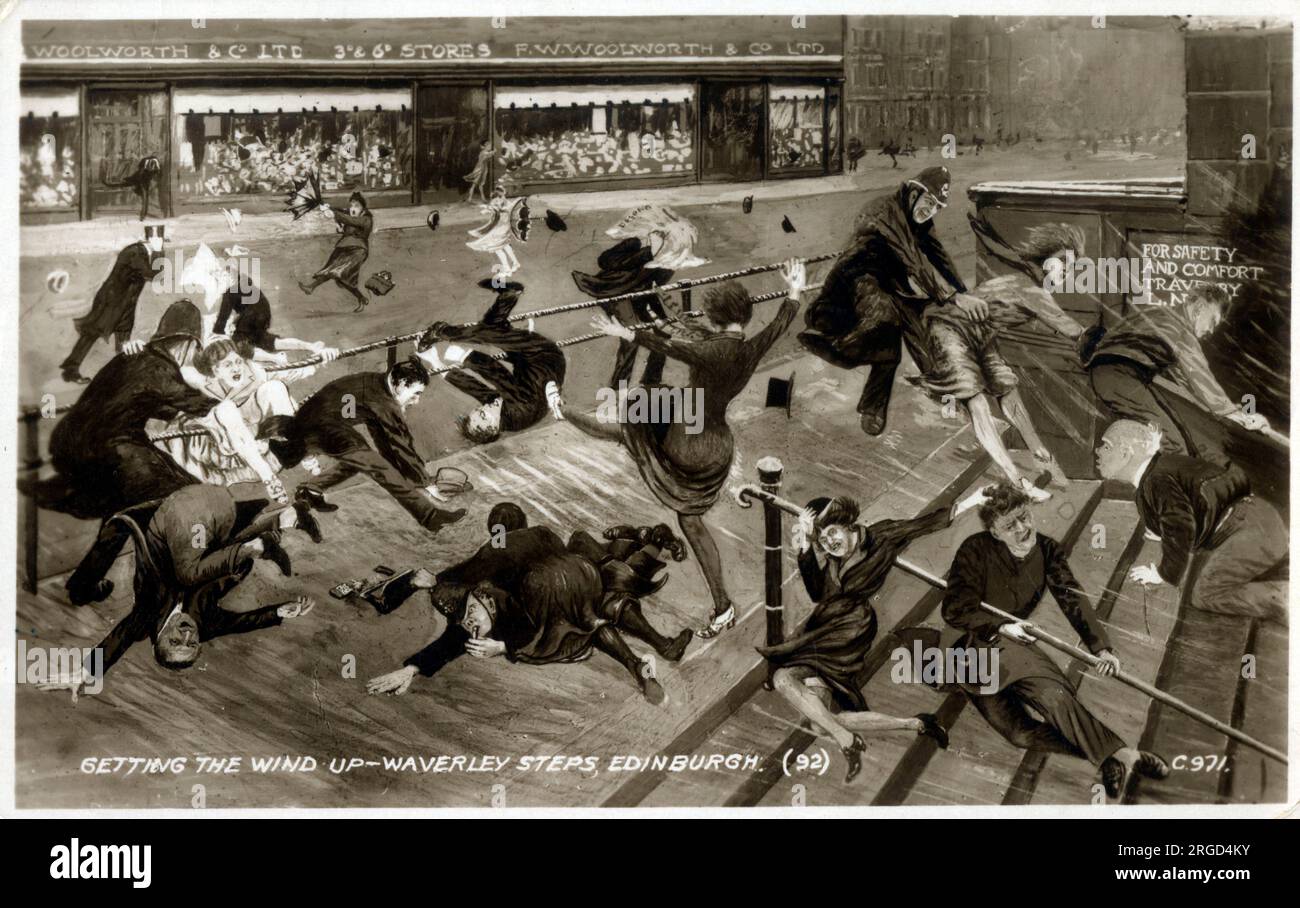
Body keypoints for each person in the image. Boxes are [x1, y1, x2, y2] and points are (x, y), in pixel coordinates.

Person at [561, 260, 804, 638]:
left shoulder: (713, 352)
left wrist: (625, 332)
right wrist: (793, 293)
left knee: (631, 425)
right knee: (689, 519)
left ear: (717, 319)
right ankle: (722, 606)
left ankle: (563, 412)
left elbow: (672, 347)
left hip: (689, 441)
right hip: (716, 442)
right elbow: (776, 327)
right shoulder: (747, 347)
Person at [31, 300, 287, 606]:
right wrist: (262, 470)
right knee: (185, 494)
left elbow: (152, 402)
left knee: (125, 504)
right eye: (193, 348)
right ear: (188, 342)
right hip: (113, 447)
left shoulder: (134, 358)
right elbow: (213, 409)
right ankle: (183, 580)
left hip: (73, 441)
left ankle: (84, 584)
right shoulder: (162, 368)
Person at [940, 482, 1170, 799]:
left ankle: (1125, 756)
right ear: (995, 531)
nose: (1022, 528)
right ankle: (1111, 756)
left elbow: (1072, 599)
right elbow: (955, 610)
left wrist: (1101, 647)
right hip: (972, 647)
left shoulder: (1047, 550)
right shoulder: (974, 551)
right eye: (1010, 524)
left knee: (1056, 698)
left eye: (1024, 516)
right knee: (1019, 734)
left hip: (1014, 647)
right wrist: (1002, 626)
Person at [760, 486, 989, 783]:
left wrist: (975, 499)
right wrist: (805, 548)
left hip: (851, 631)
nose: (830, 543)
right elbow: (818, 594)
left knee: (782, 678)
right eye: (824, 540)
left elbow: (925, 524)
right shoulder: (832, 558)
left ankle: (846, 740)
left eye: (832, 533)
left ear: (845, 522)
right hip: (825, 626)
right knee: (820, 723)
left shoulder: (881, 536)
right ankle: (916, 724)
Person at [365, 519, 692, 704]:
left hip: (572, 578)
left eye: (471, 620)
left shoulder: (500, 575)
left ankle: (649, 542)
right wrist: (410, 670)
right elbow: (451, 642)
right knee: (595, 616)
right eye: (472, 626)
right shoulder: (478, 610)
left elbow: (489, 563)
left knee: (605, 591)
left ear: (482, 598)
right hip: (571, 588)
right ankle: (647, 543)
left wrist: (505, 647)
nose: (471, 627)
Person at [36, 485, 317, 698]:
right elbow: (243, 623)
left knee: (190, 571)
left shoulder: (146, 617)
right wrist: (280, 611)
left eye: (175, 642)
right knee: (215, 560)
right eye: (191, 644)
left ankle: (265, 540)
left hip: (172, 531)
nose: (186, 635)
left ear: (158, 641)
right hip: (217, 550)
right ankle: (286, 520)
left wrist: (88, 672)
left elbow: (117, 639)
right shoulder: (208, 625)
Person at [798, 166, 989, 436]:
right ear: (914, 193)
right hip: (855, 279)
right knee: (887, 326)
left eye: (937, 207)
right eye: (929, 202)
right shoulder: (886, 211)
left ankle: (942, 387)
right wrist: (954, 297)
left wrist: (962, 292)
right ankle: (833, 351)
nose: (930, 211)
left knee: (921, 325)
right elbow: (914, 259)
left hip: (889, 284)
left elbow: (937, 255)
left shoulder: (919, 218)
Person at [912, 223, 1087, 501]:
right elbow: (1070, 328)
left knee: (1009, 391)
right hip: (949, 330)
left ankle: (1042, 457)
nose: (1067, 270)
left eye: (1071, 265)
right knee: (977, 402)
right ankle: (1017, 481)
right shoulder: (1028, 288)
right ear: (1047, 260)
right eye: (1064, 262)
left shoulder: (1028, 285)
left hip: (980, 334)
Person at [1094, 420, 1286, 624]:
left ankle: (1284, 600)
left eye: (1106, 446)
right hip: (1260, 522)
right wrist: (1162, 532)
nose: (1098, 452)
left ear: (1126, 452)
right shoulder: (1160, 469)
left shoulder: (1155, 481)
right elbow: (1186, 510)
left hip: (1250, 533)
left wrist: (1164, 574)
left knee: (1206, 594)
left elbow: (1180, 525)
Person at [266, 358, 467, 535]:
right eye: (415, 394)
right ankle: (430, 516)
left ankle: (311, 490)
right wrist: (425, 482)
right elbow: (401, 444)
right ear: (402, 384)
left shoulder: (375, 383)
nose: (416, 401)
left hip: (319, 424)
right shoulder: (384, 402)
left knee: (364, 459)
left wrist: (404, 471)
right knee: (375, 465)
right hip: (322, 428)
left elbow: (384, 437)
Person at [1081, 284, 1266, 464]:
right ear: (1200, 308)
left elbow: (1186, 379)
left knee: (1171, 434)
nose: (1211, 330)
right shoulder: (1180, 328)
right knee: (1173, 443)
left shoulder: (1157, 313)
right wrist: (1239, 416)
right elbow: (1199, 377)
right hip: (1120, 375)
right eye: (1213, 321)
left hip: (1108, 374)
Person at [571, 204, 709, 388]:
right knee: (630, 337)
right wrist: (646, 252)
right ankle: (617, 389)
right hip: (616, 291)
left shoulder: (672, 255)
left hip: (643, 293)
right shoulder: (635, 242)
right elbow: (605, 261)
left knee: (663, 333)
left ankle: (651, 380)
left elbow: (657, 282)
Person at [153, 336, 320, 487]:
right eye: (228, 364)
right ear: (216, 370)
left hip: (255, 426)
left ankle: (301, 450)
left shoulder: (253, 371)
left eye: (238, 362)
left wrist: (319, 359)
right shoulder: (203, 386)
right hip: (228, 441)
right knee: (227, 408)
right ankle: (268, 478)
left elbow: (288, 373)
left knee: (275, 387)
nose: (236, 369)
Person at [415, 278, 566, 445]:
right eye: (482, 414)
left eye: (478, 410)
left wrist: (434, 361)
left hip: (526, 362)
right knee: (484, 333)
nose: (484, 407)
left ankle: (509, 295)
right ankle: (442, 332)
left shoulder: (499, 414)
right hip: (541, 354)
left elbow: (473, 388)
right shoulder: (516, 411)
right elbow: (496, 373)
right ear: (494, 427)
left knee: (492, 326)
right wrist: (464, 356)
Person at [59, 224, 166, 384]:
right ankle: (70, 369)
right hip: (111, 301)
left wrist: (158, 251)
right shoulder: (134, 252)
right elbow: (153, 275)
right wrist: (158, 251)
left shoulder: (144, 252)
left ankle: (121, 374)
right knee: (92, 333)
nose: (161, 243)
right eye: (158, 240)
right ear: (151, 239)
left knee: (124, 338)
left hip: (126, 301)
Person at [213, 267, 339, 366]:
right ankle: (311, 346)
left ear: (229, 278)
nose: (219, 281)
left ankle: (276, 358)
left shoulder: (229, 293)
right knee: (266, 340)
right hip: (263, 314)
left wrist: (218, 334)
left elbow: (221, 323)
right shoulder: (245, 283)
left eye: (221, 278)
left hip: (251, 316)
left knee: (238, 345)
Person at [299, 190, 373, 312]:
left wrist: (334, 214)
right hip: (343, 248)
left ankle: (311, 287)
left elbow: (350, 220)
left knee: (336, 271)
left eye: (357, 206)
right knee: (341, 277)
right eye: (351, 205)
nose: (353, 208)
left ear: (363, 207)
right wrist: (328, 208)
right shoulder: (350, 215)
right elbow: (343, 218)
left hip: (358, 251)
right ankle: (362, 298)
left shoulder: (366, 219)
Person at [465, 184, 525, 277]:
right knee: (505, 246)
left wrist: (487, 209)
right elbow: (496, 210)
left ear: (497, 195)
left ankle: (507, 270)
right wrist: (487, 208)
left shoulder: (498, 202)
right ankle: (516, 263)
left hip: (500, 229)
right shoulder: (506, 202)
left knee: (497, 248)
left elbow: (495, 209)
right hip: (504, 227)